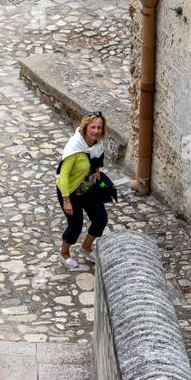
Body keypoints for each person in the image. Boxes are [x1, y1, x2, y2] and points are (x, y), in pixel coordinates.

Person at [55, 112, 109, 269]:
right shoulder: (75, 148)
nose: (96, 131)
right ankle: (64, 253)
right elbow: (63, 176)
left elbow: (96, 160)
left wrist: (96, 171)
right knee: (75, 225)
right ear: (85, 128)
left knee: (100, 219)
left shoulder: (96, 145)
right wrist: (66, 201)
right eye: (93, 127)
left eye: (99, 127)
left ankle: (86, 247)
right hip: (69, 192)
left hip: (87, 188)